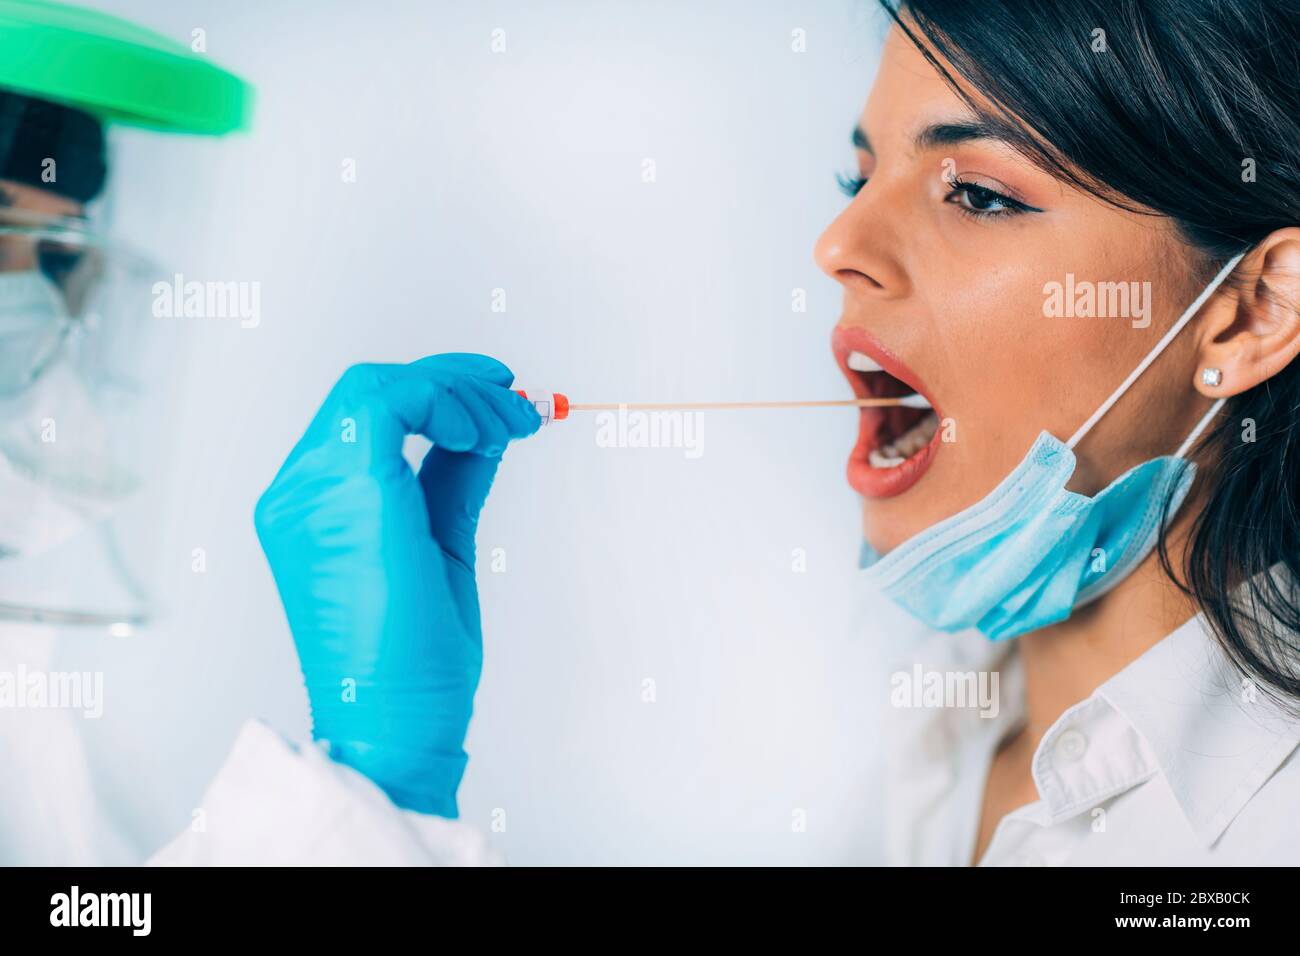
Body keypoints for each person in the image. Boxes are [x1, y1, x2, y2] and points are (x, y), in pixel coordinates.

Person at [251, 0, 1300, 866]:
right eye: (858, 179)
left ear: (1253, 311)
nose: (837, 242)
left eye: (976, 193)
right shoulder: (917, 730)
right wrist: (373, 783)